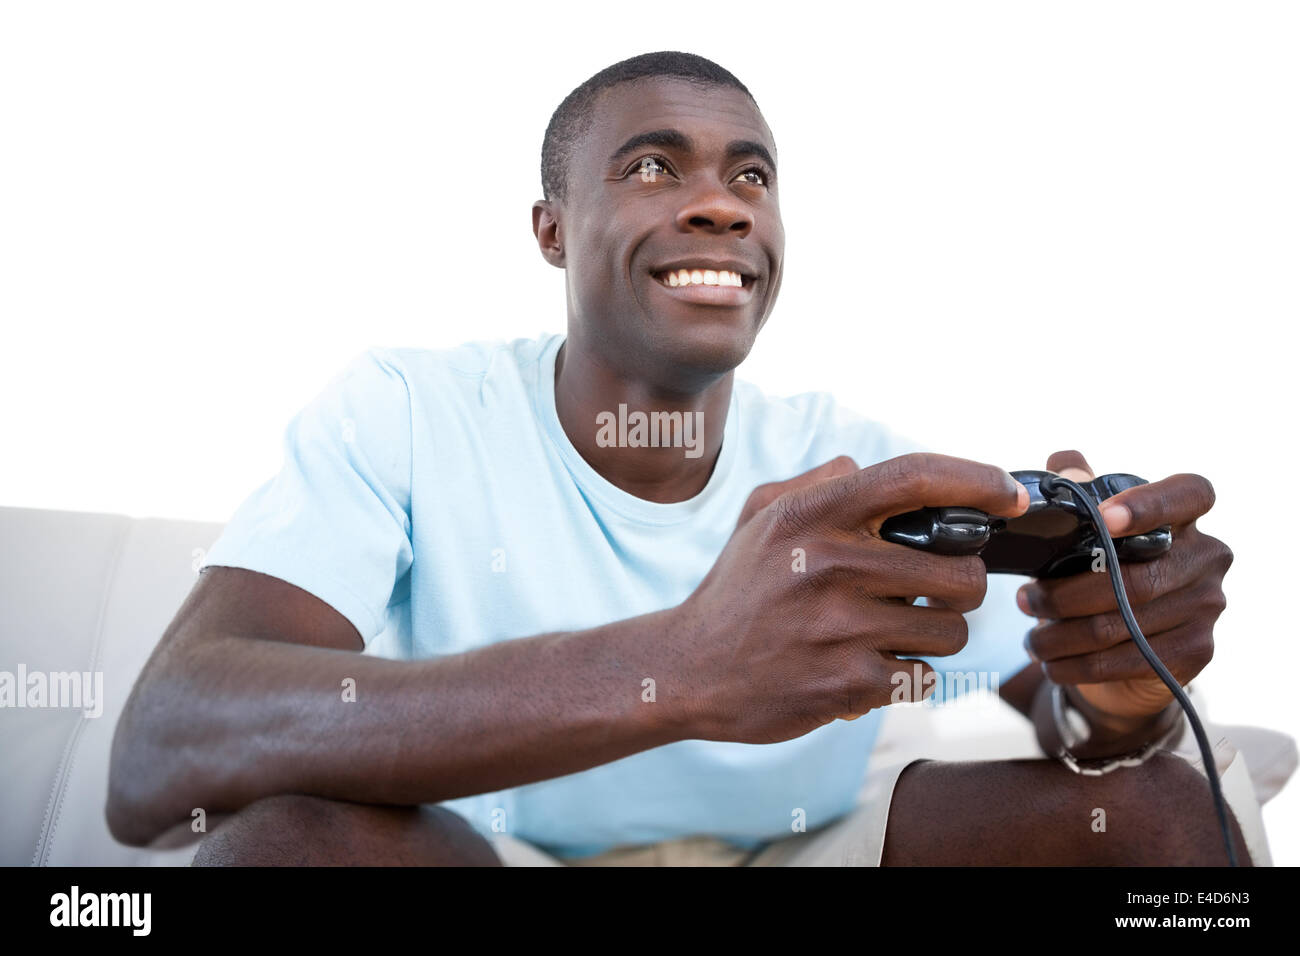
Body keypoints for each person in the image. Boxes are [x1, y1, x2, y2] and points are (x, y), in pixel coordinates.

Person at [106, 51, 1252, 866]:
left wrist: (1116, 692)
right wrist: (684, 663)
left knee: (1160, 813)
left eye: (751, 175)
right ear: (550, 227)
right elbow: (165, 743)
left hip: (802, 854)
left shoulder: (848, 459)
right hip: (491, 855)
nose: (720, 205)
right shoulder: (407, 407)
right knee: (291, 846)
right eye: (654, 166)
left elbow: (1059, 709)